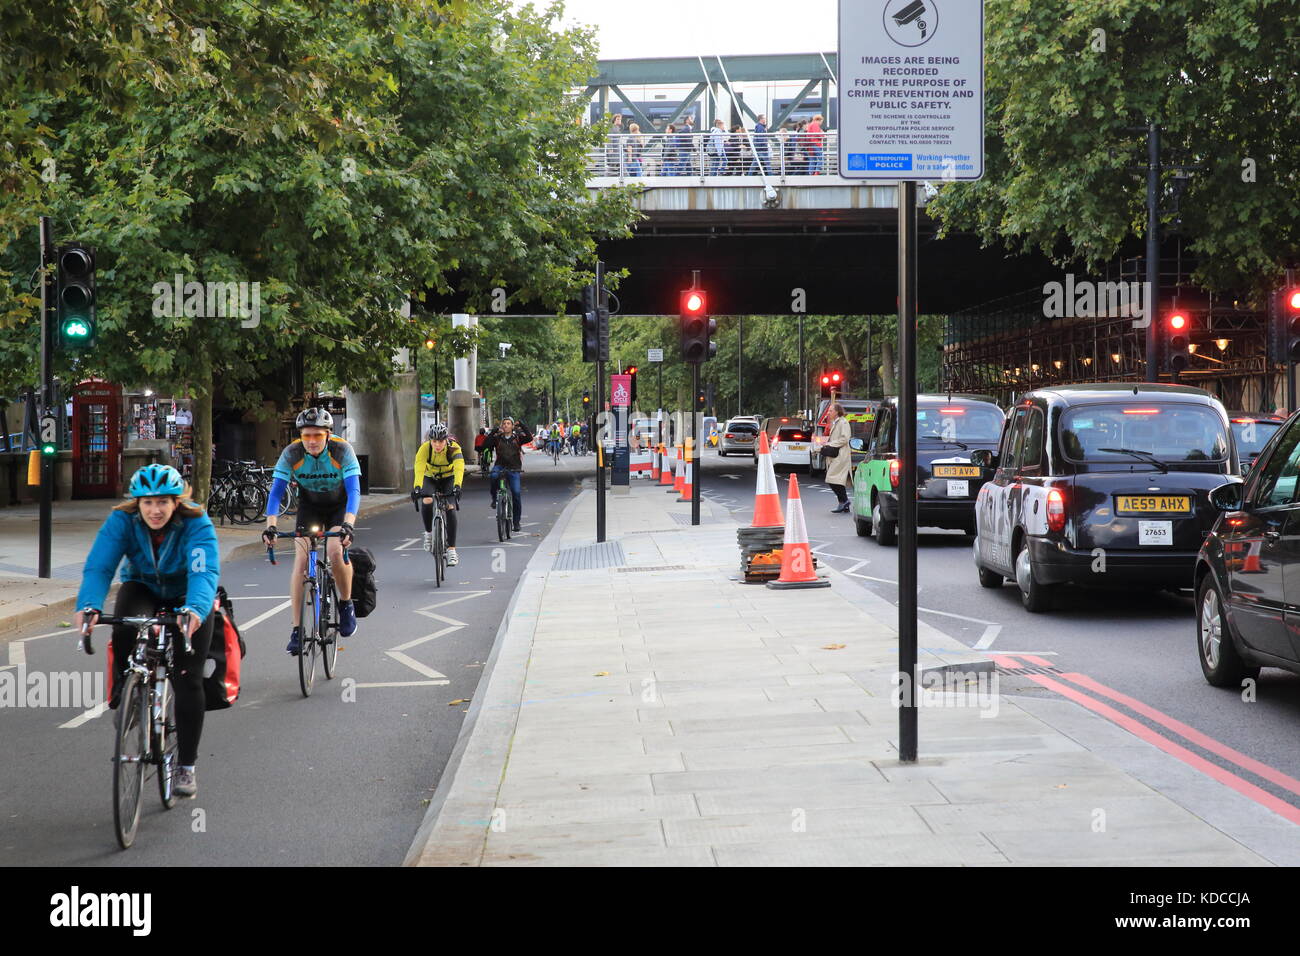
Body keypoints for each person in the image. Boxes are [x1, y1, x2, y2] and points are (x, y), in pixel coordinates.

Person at [76, 463, 219, 799]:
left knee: (188, 678)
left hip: (187, 592)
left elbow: (204, 571)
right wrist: (90, 606)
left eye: (163, 503)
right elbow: (100, 566)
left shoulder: (196, 522)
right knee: (126, 626)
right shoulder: (122, 522)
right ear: (137, 504)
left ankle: (186, 765)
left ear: (176, 502)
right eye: (148, 503)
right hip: (142, 586)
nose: (156, 510)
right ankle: (130, 690)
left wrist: (195, 611)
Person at [261, 407, 361, 655]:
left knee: (336, 551)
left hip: (339, 507)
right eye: (307, 436)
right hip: (310, 506)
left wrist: (349, 523)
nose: (312, 441)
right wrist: (270, 526)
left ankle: (346, 603)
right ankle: (297, 630)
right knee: (302, 561)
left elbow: (355, 491)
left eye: (317, 435)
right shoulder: (292, 453)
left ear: (328, 434)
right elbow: (275, 493)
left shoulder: (342, 451)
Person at [412, 423, 464, 566]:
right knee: (427, 499)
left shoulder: (454, 448)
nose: (437, 445)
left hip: (448, 478)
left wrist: (457, 485)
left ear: (446, 440)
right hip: (430, 477)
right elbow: (419, 467)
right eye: (434, 441)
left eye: (440, 441)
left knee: (450, 508)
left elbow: (459, 468)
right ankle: (428, 534)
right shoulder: (425, 448)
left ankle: (452, 550)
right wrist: (417, 487)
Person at [483, 417, 533, 531]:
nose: (506, 425)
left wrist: (522, 424)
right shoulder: (497, 438)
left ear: (512, 426)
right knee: (493, 476)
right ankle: (494, 498)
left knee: (516, 493)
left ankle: (516, 522)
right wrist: (493, 432)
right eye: (504, 423)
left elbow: (529, 437)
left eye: (508, 423)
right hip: (500, 465)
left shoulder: (518, 438)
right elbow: (485, 445)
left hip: (514, 468)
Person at [825, 402, 853, 512]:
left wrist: (830, 444)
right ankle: (843, 503)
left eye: (831, 410)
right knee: (837, 480)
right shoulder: (836, 422)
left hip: (841, 455)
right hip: (836, 455)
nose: (829, 413)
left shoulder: (843, 423)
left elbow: (845, 439)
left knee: (831, 478)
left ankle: (844, 501)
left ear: (837, 412)